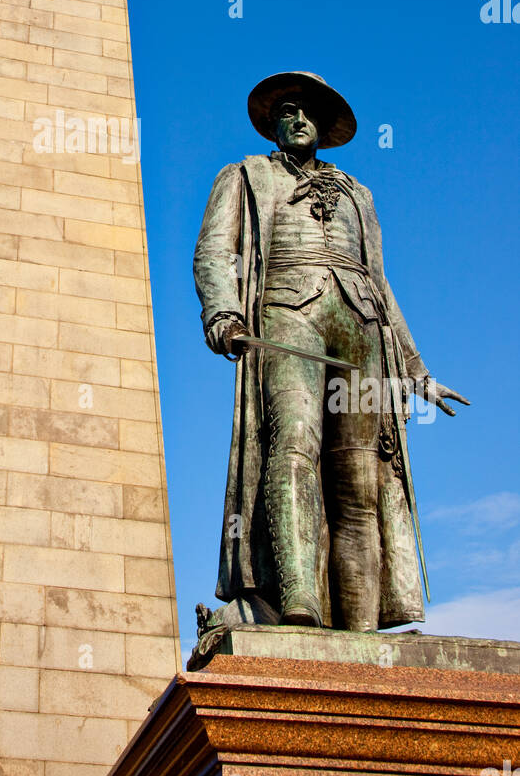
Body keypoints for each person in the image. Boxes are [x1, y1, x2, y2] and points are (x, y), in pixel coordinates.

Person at [193, 71, 469, 631]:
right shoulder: (245, 175)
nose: (299, 120)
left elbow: (381, 283)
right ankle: (300, 596)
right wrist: (222, 313)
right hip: (287, 314)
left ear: (323, 125)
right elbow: (214, 251)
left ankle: (361, 628)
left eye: (308, 112)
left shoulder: (357, 193)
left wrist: (415, 368)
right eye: (288, 111)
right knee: (294, 443)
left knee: (359, 479)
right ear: (272, 123)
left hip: (361, 326)